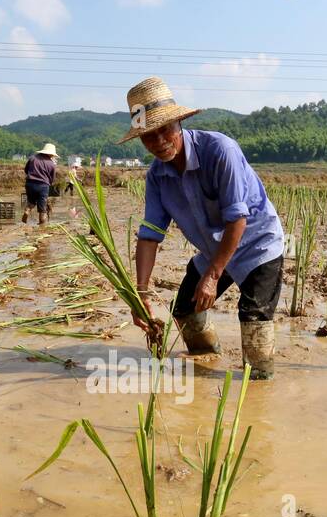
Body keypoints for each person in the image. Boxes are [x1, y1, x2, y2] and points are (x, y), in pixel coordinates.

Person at [120, 76, 284, 379]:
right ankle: (206, 361)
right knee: (184, 309)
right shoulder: (157, 176)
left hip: (257, 243)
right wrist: (140, 293)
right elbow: (149, 235)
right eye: (148, 136)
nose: (158, 142)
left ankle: (260, 383)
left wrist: (211, 276)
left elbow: (237, 219)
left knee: (254, 317)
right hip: (213, 248)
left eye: (164, 130)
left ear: (179, 122)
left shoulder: (220, 150)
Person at [23, 142, 58, 225]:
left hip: (30, 183)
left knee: (31, 201)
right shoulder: (51, 164)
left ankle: (27, 211)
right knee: (42, 209)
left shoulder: (33, 158)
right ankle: (42, 225)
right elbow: (52, 178)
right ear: (51, 154)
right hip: (43, 186)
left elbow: (26, 170)